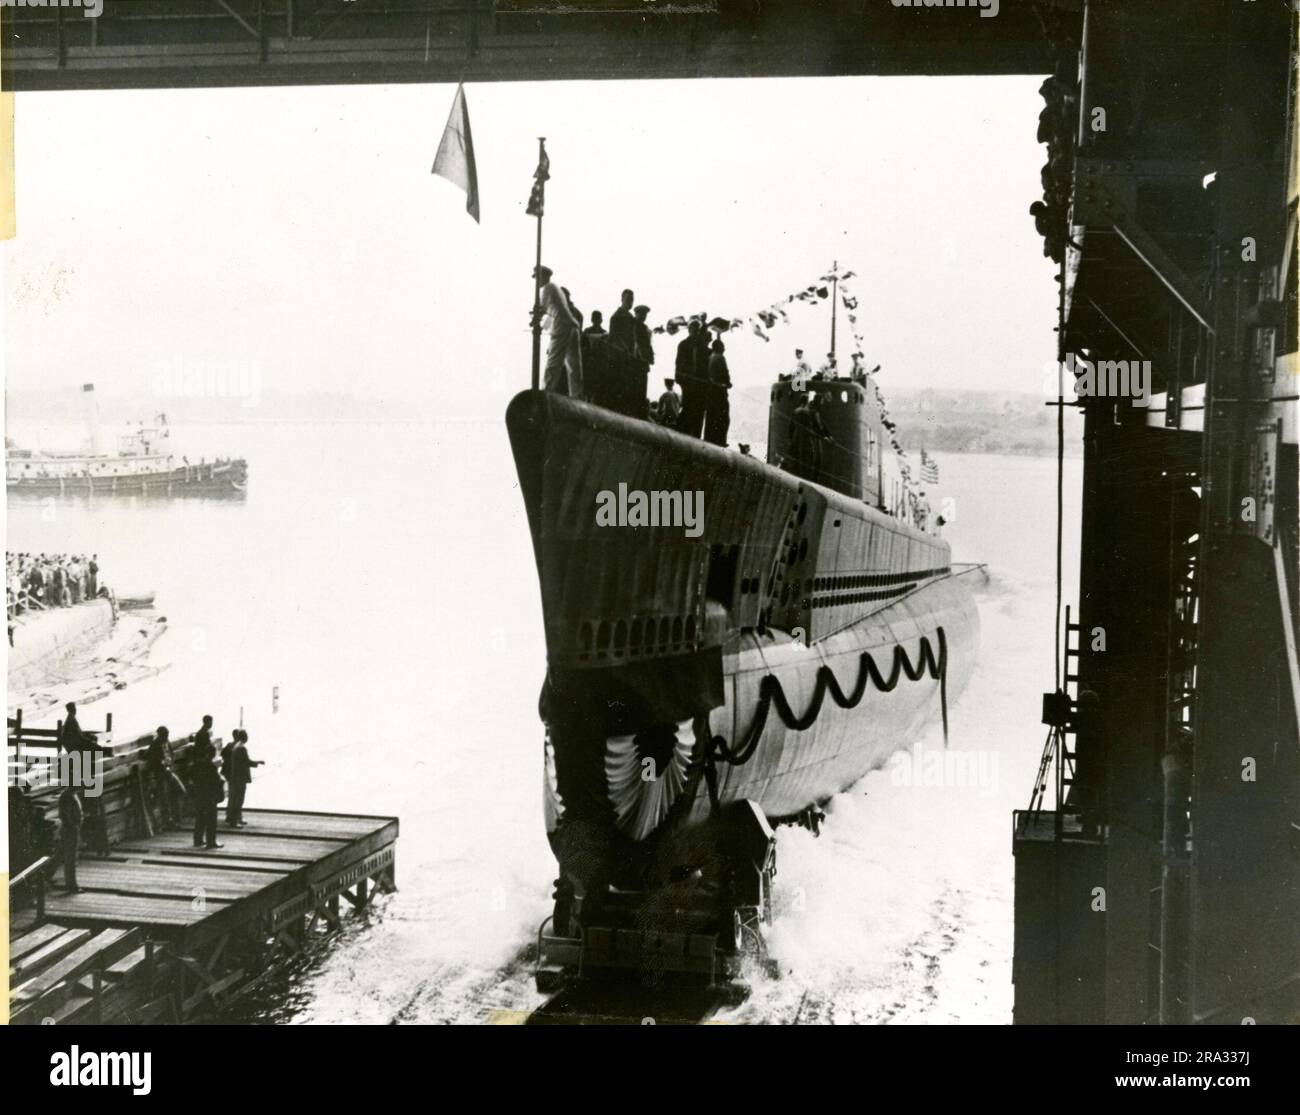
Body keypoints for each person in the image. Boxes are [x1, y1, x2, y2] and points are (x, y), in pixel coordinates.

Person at [534, 265, 584, 399]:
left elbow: (542, 309)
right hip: (572, 327)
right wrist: (542, 328)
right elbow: (552, 313)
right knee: (573, 368)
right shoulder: (557, 290)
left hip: (562, 328)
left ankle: (546, 395)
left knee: (553, 364)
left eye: (537, 278)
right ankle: (577, 397)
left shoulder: (547, 289)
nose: (536, 282)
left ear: (543, 276)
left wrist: (535, 321)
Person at [190, 716, 224, 850]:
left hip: (199, 795)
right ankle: (211, 842)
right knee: (211, 819)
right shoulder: (210, 767)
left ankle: (197, 839)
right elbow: (216, 781)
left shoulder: (198, 765)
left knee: (200, 817)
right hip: (209, 797)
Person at [674, 319, 708, 438]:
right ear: (689, 330)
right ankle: (683, 434)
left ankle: (696, 436)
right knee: (687, 408)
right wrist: (679, 379)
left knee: (698, 411)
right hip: (687, 383)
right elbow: (678, 363)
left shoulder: (703, 347)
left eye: (697, 330)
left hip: (700, 385)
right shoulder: (683, 345)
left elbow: (706, 365)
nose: (695, 332)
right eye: (693, 330)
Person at [788, 392, 830, 483]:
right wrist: (824, 436)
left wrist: (792, 439)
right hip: (807, 441)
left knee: (796, 463)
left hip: (795, 440)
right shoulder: (809, 412)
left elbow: (791, 428)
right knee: (810, 463)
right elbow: (815, 427)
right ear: (807, 401)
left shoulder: (795, 411)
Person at [224, 729, 263, 827]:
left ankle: (236, 819)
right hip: (240, 778)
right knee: (239, 799)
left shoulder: (236, 746)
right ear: (244, 737)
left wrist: (256, 763)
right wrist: (257, 763)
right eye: (246, 735)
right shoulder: (242, 748)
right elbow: (247, 761)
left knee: (236, 798)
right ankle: (234, 821)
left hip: (235, 777)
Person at [147, 725, 182, 829]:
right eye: (165, 735)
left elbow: (171, 754)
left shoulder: (166, 742)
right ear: (160, 735)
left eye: (167, 734)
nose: (167, 736)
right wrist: (160, 762)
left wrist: (171, 766)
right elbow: (151, 756)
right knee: (164, 797)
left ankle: (175, 818)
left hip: (169, 771)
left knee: (176, 792)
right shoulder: (156, 743)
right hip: (161, 773)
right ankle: (168, 821)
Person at [704, 339, 732, 448]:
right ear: (718, 347)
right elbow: (726, 375)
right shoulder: (720, 357)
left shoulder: (710, 357)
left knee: (711, 417)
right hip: (719, 391)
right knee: (723, 418)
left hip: (710, 392)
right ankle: (720, 441)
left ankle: (709, 440)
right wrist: (728, 383)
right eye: (723, 347)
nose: (724, 349)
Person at [58, 785, 83, 893]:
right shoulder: (67, 796)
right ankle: (71, 885)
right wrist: (73, 826)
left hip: (72, 829)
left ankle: (47, 876)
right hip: (70, 830)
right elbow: (65, 815)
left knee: (62, 854)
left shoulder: (72, 794)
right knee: (71, 858)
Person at [608, 289, 636, 357]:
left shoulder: (631, 317)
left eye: (632, 300)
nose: (630, 302)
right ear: (622, 299)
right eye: (628, 299)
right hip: (618, 355)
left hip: (629, 355)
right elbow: (613, 337)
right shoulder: (616, 317)